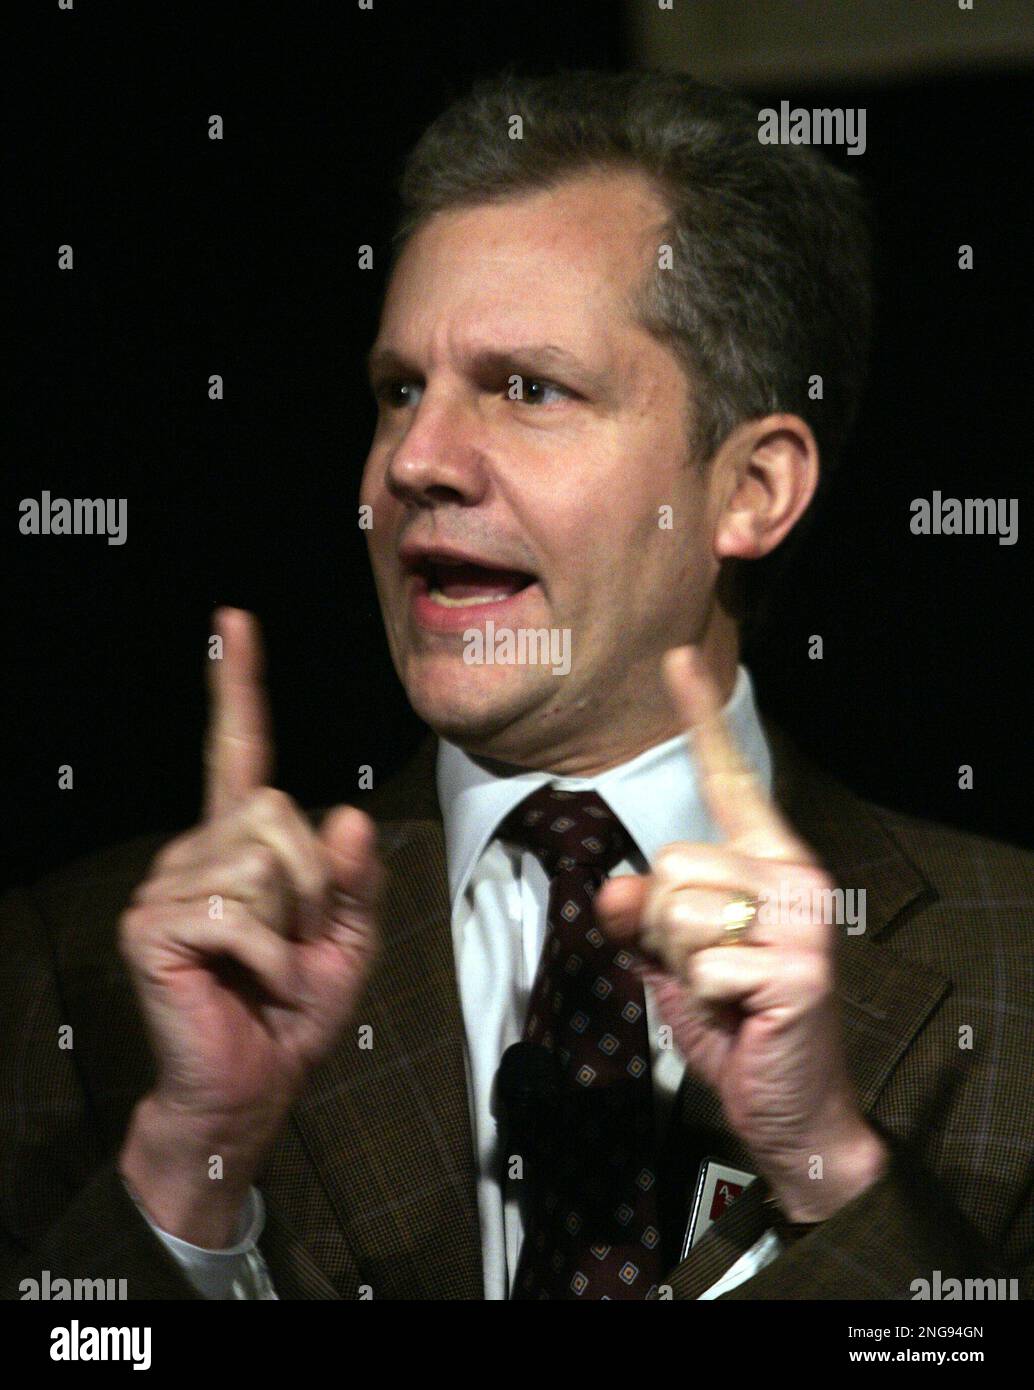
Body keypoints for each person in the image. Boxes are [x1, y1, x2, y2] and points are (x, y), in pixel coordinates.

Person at [3, 70, 1032, 1301]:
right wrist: (185, 1179)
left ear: (750, 489)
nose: (416, 461)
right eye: (398, 391)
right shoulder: (85, 976)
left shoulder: (1010, 970)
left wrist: (827, 1162)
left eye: (527, 388)